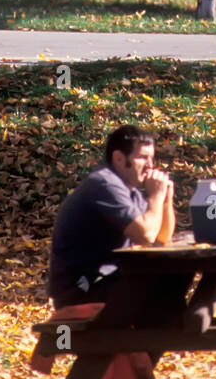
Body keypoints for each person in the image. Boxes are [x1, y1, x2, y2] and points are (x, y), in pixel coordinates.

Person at [48, 124, 175, 308]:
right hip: (82, 290)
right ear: (118, 158)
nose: (150, 165)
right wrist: (155, 196)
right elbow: (145, 236)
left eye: (152, 158)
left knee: (172, 279)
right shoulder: (104, 184)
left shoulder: (131, 192)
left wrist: (166, 201)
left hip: (109, 280)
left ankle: (178, 331)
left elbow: (161, 239)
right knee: (160, 286)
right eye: (142, 157)